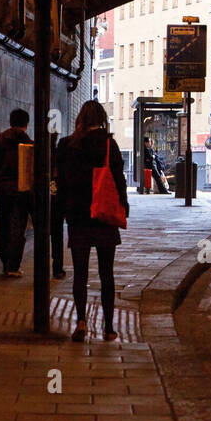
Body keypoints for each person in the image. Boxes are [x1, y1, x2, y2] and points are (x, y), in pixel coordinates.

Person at [58, 100, 128, 342]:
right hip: (105, 215)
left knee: (80, 273)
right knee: (106, 273)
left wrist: (63, 211)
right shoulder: (109, 144)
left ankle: (81, 322)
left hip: (78, 217)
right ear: (101, 118)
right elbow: (119, 180)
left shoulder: (67, 144)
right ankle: (109, 328)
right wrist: (124, 207)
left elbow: (62, 181)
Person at [0, 108, 33, 276]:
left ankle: (5, 263)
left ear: (10, 121)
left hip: (2, 187)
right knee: (17, 227)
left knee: (3, 226)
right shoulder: (29, 144)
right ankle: (13, 266)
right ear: (26, 124)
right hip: (21, 189)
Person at [49, 131, 68, 279]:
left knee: (53, 233)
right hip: (61, 196)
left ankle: (54, 267)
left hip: (50, 198)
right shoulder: (62, 157)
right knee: (57, 233)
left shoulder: (41, 156)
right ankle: (57, 268)